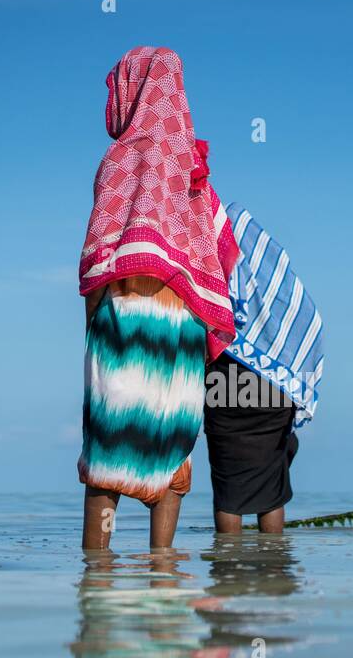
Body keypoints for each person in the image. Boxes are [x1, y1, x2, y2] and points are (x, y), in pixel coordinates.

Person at [78, 46, 239, 550]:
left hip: (126, 316)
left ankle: (97, 573)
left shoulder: (121, 159)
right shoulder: (192, 167)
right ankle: (162, 568)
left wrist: (94, 325)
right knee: (171, 450)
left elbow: (100, 256)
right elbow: (220, 250)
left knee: (109, 452)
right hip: (183, 323)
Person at [203, 205, 323, 533]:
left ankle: (228, 570)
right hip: (277, 383)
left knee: (229, 487)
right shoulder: (281, 289)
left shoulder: (210, 273)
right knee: (270, 487)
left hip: (226, 380)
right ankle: (273, 565)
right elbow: (309, 324)